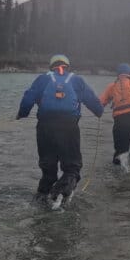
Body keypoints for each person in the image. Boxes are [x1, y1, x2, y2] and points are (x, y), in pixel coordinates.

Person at [17, 53, 104, 208]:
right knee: (72, 168)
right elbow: (93, 102)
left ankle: (41, 200)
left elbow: (28, 99)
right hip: (69, 127)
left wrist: (21, 114)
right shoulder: (76, 80)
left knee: (48, 169)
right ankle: (59, 195)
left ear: (52, 66)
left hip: (45, 128)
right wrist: (99, 111)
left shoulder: (43, 79)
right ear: (67, 66)